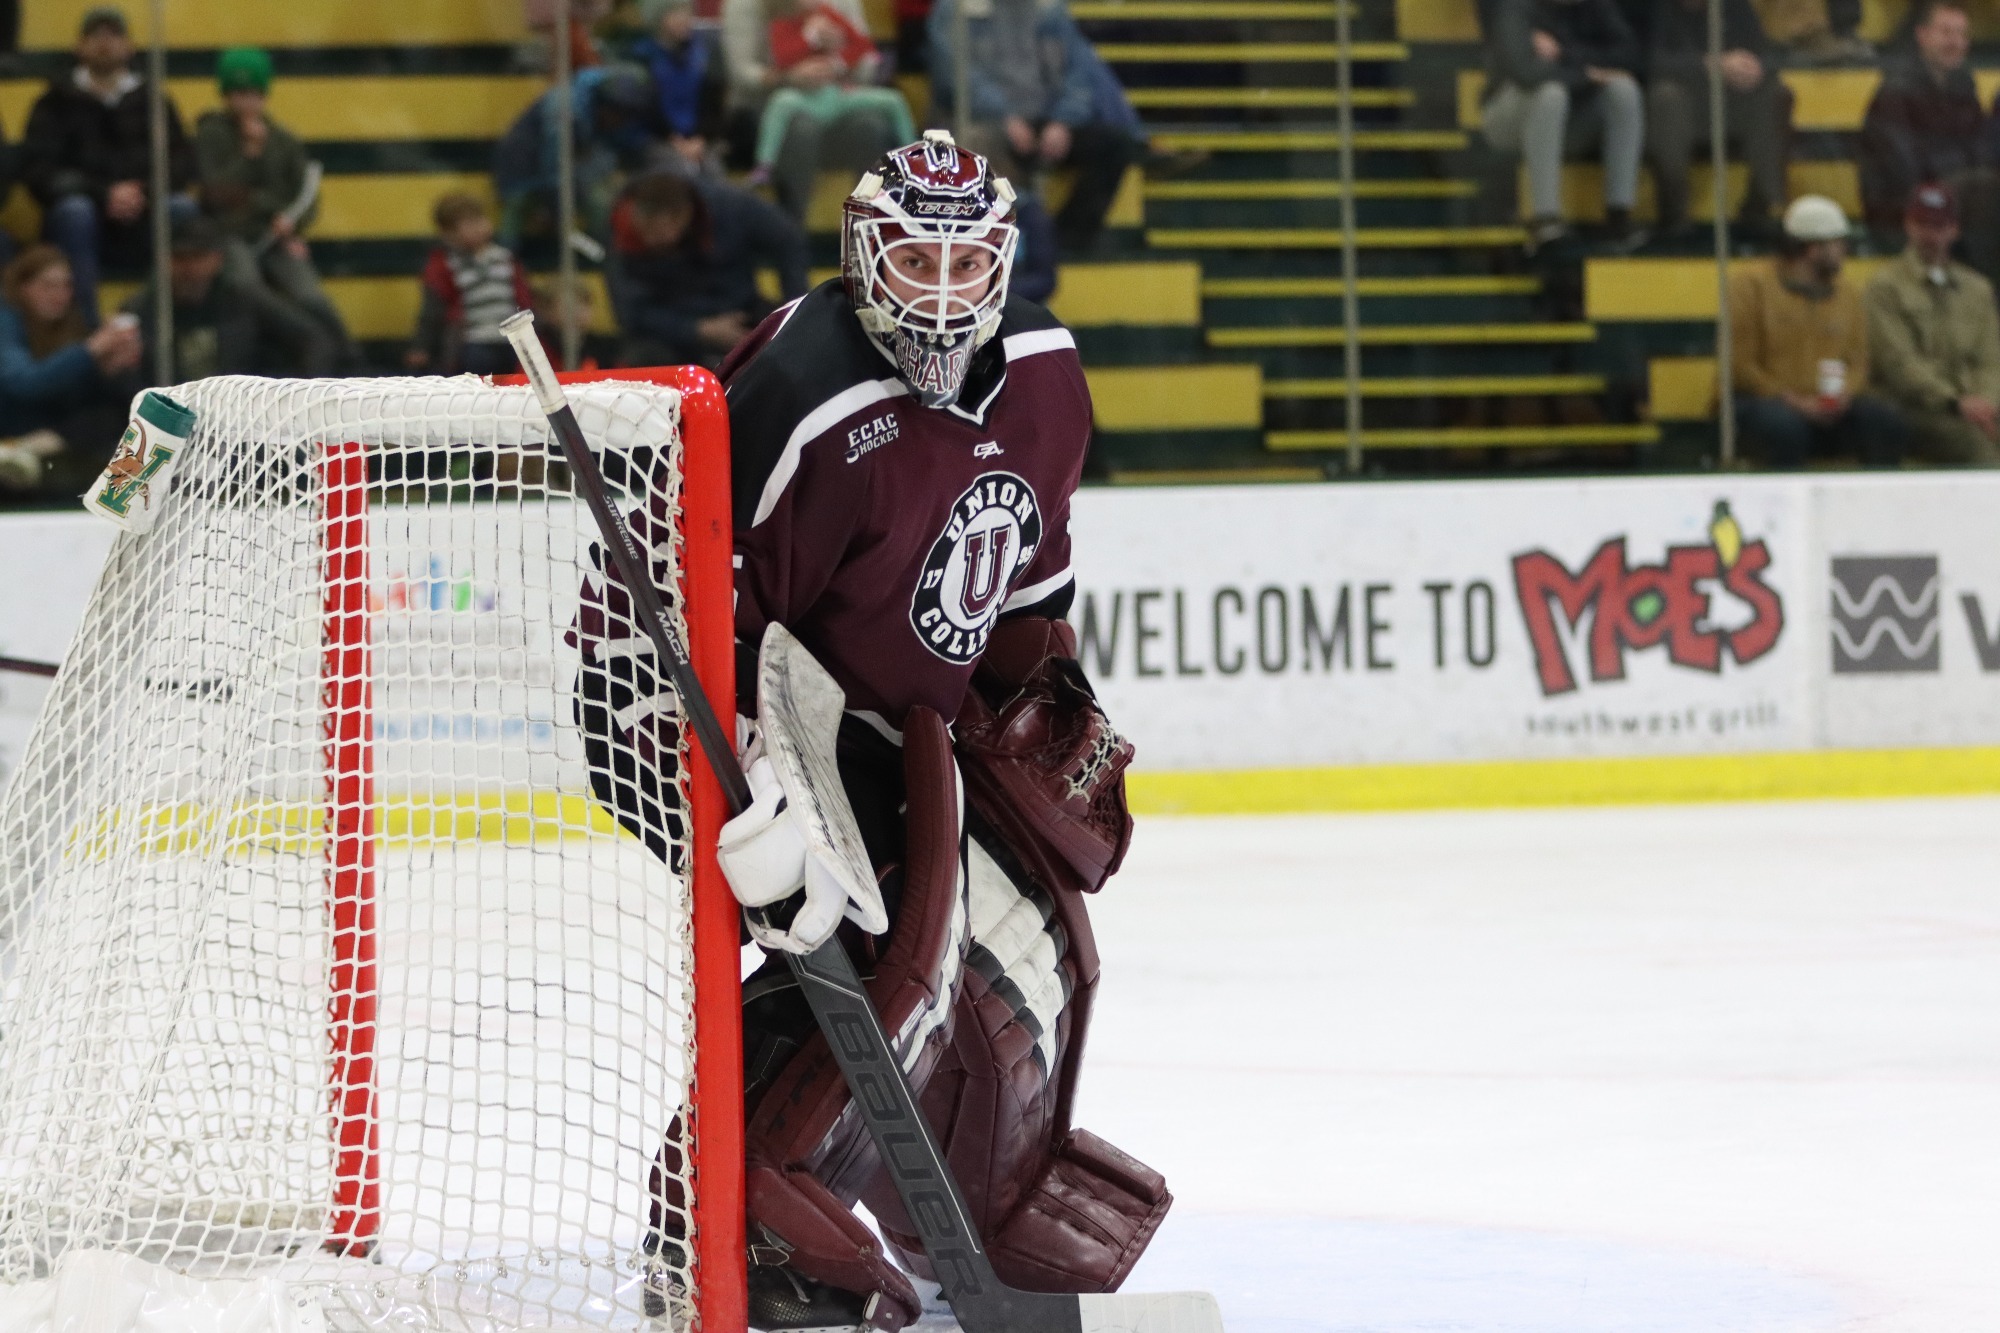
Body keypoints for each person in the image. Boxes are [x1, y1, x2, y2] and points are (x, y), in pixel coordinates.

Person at [574, 130, 1160, 1333]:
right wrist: (736, 795)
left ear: (1000, 264)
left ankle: (971, 1209)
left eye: (963, 267)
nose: (937, 298)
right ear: (858, 255)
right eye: (909, 262)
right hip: (710, 710)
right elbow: (666, 624)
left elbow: (1026, 602)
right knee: (870, 943)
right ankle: (738, 1230)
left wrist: (1048, 707)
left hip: (897, 731)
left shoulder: (1045, 373)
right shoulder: (807, 391)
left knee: (1016, 935)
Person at [20, 6, 195, 326]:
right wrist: (105, 194)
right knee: (75, 212)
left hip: (144, 220)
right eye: (95, 36)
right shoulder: (53, 102)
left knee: (182, 209)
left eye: (113, 36)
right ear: (79, 46)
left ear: (128, 46)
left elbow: (181, 162)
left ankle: (158, 321)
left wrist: (143, 193)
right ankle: (87, 330)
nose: (104, 44)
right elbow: (39, 172)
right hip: (83, 225)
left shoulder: (154, 101)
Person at [927, 0, 1141, 254]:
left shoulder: (1051, 10)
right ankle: (989, 247)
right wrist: (1004, 116)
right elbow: (952, 75)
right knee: (975, 144)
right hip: (983, 120)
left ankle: (1064, 246)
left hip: (1046, 119)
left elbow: (1079, 73)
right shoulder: (955, 9)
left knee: (1116, 145)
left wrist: (1063, 121)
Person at [193, 47, 355, 361]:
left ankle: (352, 363)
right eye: (239, 93)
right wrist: (250, 157)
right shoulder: (211, 134)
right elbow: (215, 192)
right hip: (231, 235)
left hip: (277, 237)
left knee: (312, 297)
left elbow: (305, 196)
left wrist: (294, 224)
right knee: (244, 286)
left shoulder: (284, 141)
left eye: (253, 93)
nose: (246, 102)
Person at [1730, 194, 1903, 468]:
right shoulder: (1750, 288)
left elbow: (1858, 360)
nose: (1845, 250)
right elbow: (1741, 366)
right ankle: (1784, 505)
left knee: (1882, 420)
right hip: (1761, 403)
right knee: (1785, 428)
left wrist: (1845, 395)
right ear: (1812, 249)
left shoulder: (1849, 294)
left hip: (1828, 407)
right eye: (1838, 243)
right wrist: (1794, 401)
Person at [1479, 0, 1646, 253]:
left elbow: (1629, 55)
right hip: (1508, 114)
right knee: (1550, 94)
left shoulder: (1595, 7)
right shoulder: (1515, 8)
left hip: (1571, 115)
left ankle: (1619, 213)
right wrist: (1586, 75)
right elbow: (1526, 73)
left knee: (1624, 90)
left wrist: (1567, 53)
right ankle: (1545, 218)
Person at [720, 0, 906, 216]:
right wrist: (789, 76)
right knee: (802, 129)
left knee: (872, 127)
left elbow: (868, 63)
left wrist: (838, 59)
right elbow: (741, 75)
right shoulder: (745, 6)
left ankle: (866, 226)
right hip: (766, 107)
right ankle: (791, 230)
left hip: (832, 98)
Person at [604, 170, 808, 367]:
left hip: (741, 313)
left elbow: (787, 238)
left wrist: (795, 313)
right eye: (648, 232)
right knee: (640, 356)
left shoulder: (727, 206)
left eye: (662, 231)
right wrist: (698, 330)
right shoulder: (621, 234)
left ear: (685, 214)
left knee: (790, 344)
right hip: (669, 335)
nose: (652, 241)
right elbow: (630, 313)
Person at [1864, 182, 2000, 465]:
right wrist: (1954, 402)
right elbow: (1898, 363)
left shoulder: (1977, 289)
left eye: (1940, 225)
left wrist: (1985, 402)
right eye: (1922, 224)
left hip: (1978, 406)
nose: (1931, 234)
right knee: (1976, 445)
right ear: (1908, 226)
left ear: (1955, 229)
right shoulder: (1885, 287)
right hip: (1915, 410)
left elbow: (1991, 359)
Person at [121, 215, 336, 384]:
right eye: (179, 258)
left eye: (197, 257)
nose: (188, 268)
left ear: (217, 259)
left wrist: (291, 396)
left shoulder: (243, 298)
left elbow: (314, 338)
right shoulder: (143, 308)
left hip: (241, 417)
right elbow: (119, 371)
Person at [0, 244, 140, 497]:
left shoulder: (74, 321)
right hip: (14, 422)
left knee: (113, 411)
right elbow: (23, 384)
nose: (59, 295)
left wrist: (109, 369)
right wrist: (90, 350)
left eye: (66, 286)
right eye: (48, 286)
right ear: (23, 288)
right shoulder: (7, 321)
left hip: (56, 436)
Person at [1645, 0, 1792, 241]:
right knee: (1666, 99)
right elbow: (1653, 62)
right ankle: (1675, 216)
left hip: (1731, 104)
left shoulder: (1734, 7)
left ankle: (1760, 207)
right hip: (1682, 107)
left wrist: (1752, 68)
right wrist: (1711, 64)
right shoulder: (1660, 10)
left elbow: (1764, 52)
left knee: (1777, 95)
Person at [492, 62, 660, 252]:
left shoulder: (601, 111)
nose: (621, 120)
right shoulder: (563, 109)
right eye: (618, 112)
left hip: (568, 169)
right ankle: (506, 262)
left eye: (627, 114)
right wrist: (554, 208)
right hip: (520, 168)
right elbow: (555, 163)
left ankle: (605, 259)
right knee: (518, 205)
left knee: (600, 201)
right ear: (604, 104)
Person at [1858, 0, 1984, 239]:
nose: (1956, 43)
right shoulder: (1895, 92)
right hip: (1900, 208)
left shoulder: (1964, 86)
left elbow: (1978, 149)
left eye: (1961, 34)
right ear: (1922, 35)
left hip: (1954, 200)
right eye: (1946, 33)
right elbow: (1902, 168)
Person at [409, 192, 537, 378]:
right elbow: (432, 310)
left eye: (480, 220)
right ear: (449, 234)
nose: (477, 228)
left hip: (511, 340)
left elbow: (524, 299)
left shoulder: (505, 259)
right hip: (472, 341)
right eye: (468, 224)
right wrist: (421, 346)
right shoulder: (445, 265)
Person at [631, 0, 729, 177]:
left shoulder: (705, 52)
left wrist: (701, 138)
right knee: (680, 171)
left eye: (687, 13)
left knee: (713, 172)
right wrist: (674, 140)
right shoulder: (642, 56)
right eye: (676, 14)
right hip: (658, 138)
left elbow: (714, 102)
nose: (684, 20)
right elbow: (645, 108)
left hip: (700, 137)